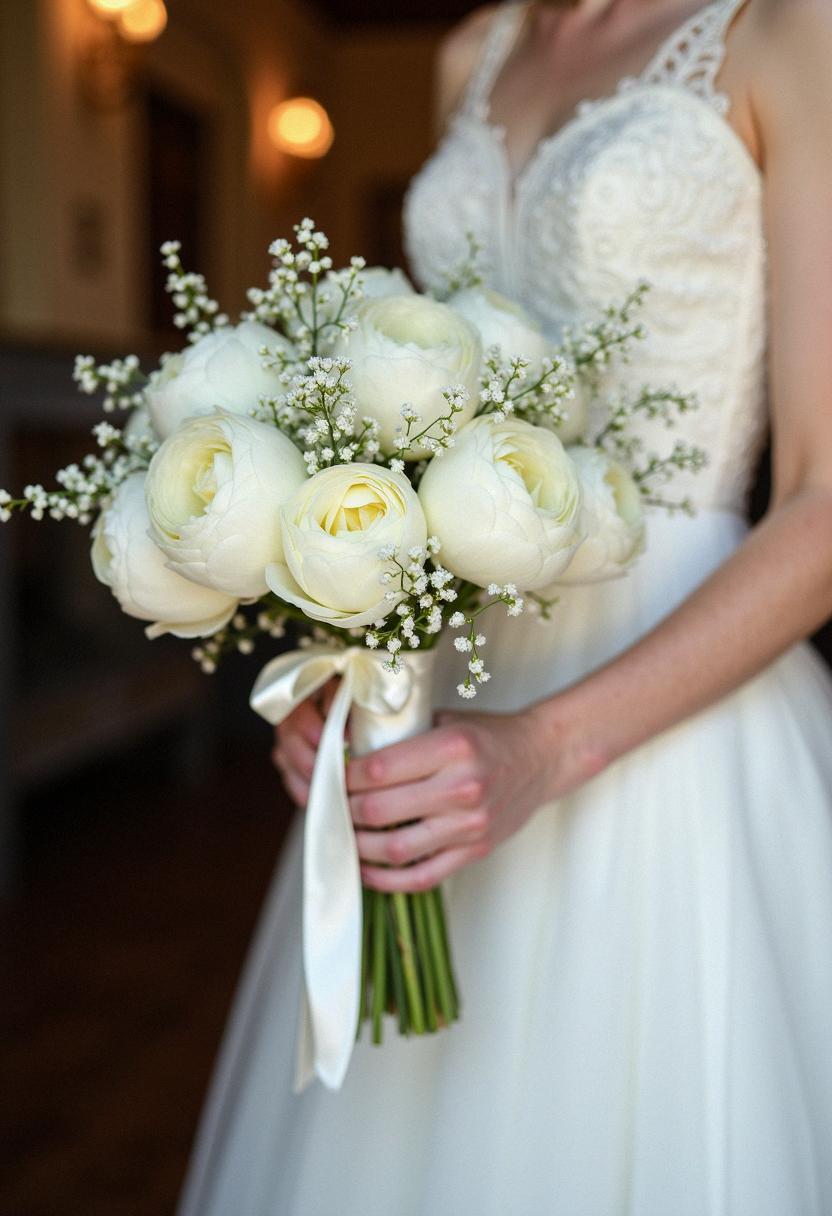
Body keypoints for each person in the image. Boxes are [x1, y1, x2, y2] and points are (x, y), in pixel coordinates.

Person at [179, 2, 832, 1212]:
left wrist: (543, 745)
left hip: (676, 696)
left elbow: (823, 500)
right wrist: (354, 670)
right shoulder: (462, 55)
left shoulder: (790, 32)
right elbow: (422, 431)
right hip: (449, 677)